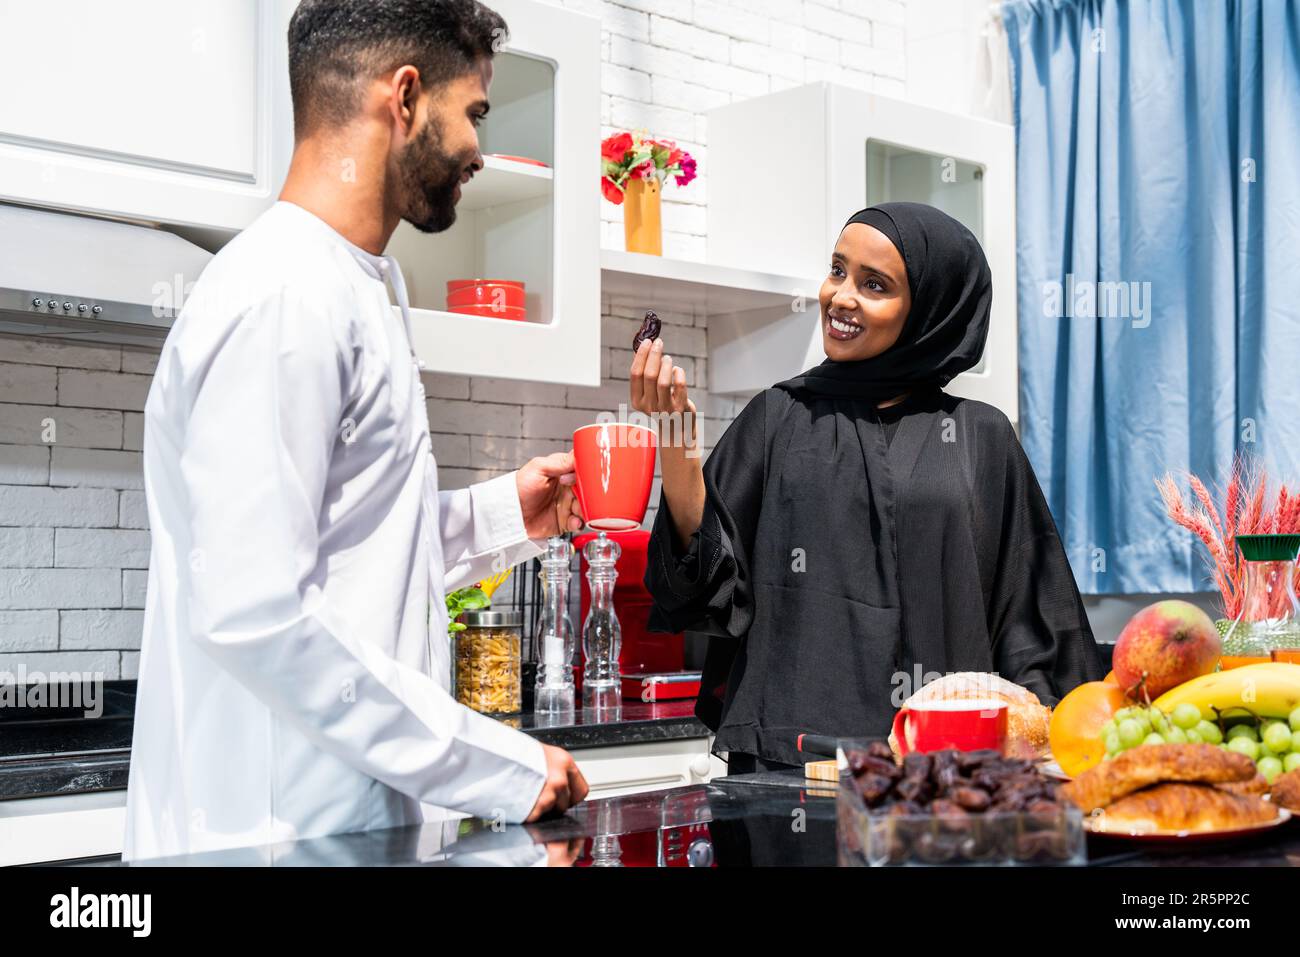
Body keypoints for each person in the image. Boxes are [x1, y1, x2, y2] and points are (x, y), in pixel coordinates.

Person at [124, 0, 587, 860]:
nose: (478, 150)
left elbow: (345, 556)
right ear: (404, 97)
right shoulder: (285, 296)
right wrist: (498, 766)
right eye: (473, 114)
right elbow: (257, 611)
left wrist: (499, 519)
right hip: (270, 836)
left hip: (346, 831)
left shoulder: (356, 285)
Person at [632, 203, 1104, 774]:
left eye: (874, 284)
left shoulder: (981, 436)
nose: (841, 297)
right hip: (792, 763)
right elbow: (703, 584)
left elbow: (1030, 616)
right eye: (838, 270)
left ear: (930, 310)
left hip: (949, 770)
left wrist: (1048, 754)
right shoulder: (778, 416)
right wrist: (677, 449)